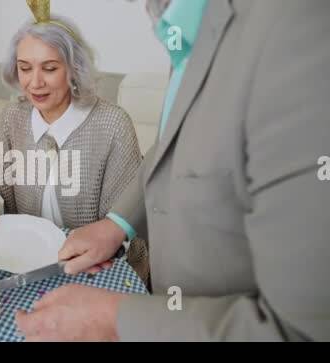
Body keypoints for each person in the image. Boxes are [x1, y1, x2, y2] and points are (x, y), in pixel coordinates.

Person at [16, 0, 330, 341]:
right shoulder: (190, 26)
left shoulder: (297, 29)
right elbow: (177, 141)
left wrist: (114, 319)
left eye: (49, 67)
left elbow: (303, 331)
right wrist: (116, 223)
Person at [0, 5, 148, 281]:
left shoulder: (112, 126)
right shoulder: (12, 118)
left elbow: (124, 220)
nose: (35, 82)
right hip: (24, 262)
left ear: (73, 69)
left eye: (49, 68)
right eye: (25, 68)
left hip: (94, 266)